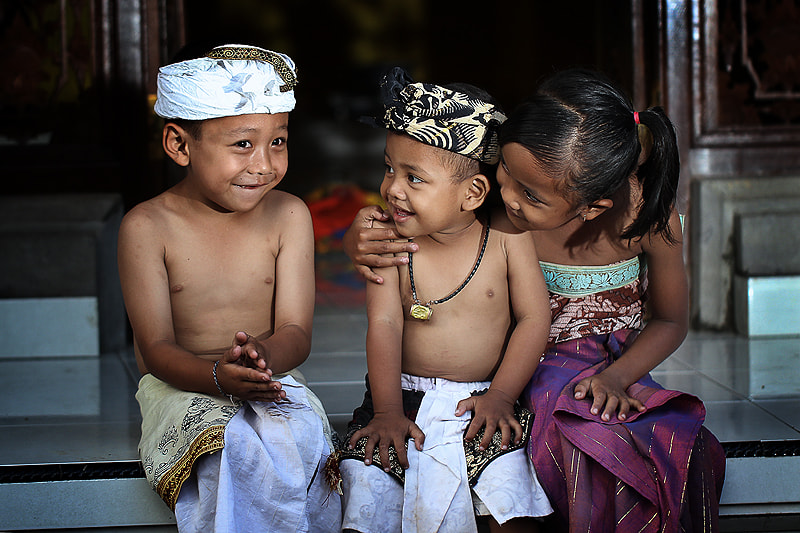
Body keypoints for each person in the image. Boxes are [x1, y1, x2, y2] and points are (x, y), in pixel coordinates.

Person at [343, 68, 726, 532]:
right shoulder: (491, 200)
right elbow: (418, 207)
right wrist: (357, 237)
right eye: (503, 171)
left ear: (592, 206)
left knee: (645, 440)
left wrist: (617, 377)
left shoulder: (646, 219)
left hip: (606, 365)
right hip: (521, 366)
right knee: (555, 420)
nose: (506, 197)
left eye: (528, 194)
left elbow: (670, 320)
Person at [117, 44, 342, 532]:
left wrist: (262, 358)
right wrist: (216, 378)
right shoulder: (147, 227)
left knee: (297, 444)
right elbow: (154, 349)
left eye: (278, 141)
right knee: (225, 453)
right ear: (179, 145)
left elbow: (296, 331)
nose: (263, 164)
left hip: (270, 377)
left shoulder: (289, 215)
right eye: (243, 144)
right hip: (180, 387)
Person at [337, 67, 553, 533]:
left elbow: (535, 318)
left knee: (509, 502)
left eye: (415, 178)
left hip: (483, 404)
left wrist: (501, 395)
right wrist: (387, 411)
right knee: (365, 489)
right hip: (402, 400)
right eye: (390, 168)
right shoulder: (387, 241)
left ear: (472, 193)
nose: (392, 188)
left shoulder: (506, 238)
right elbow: (385, 326)